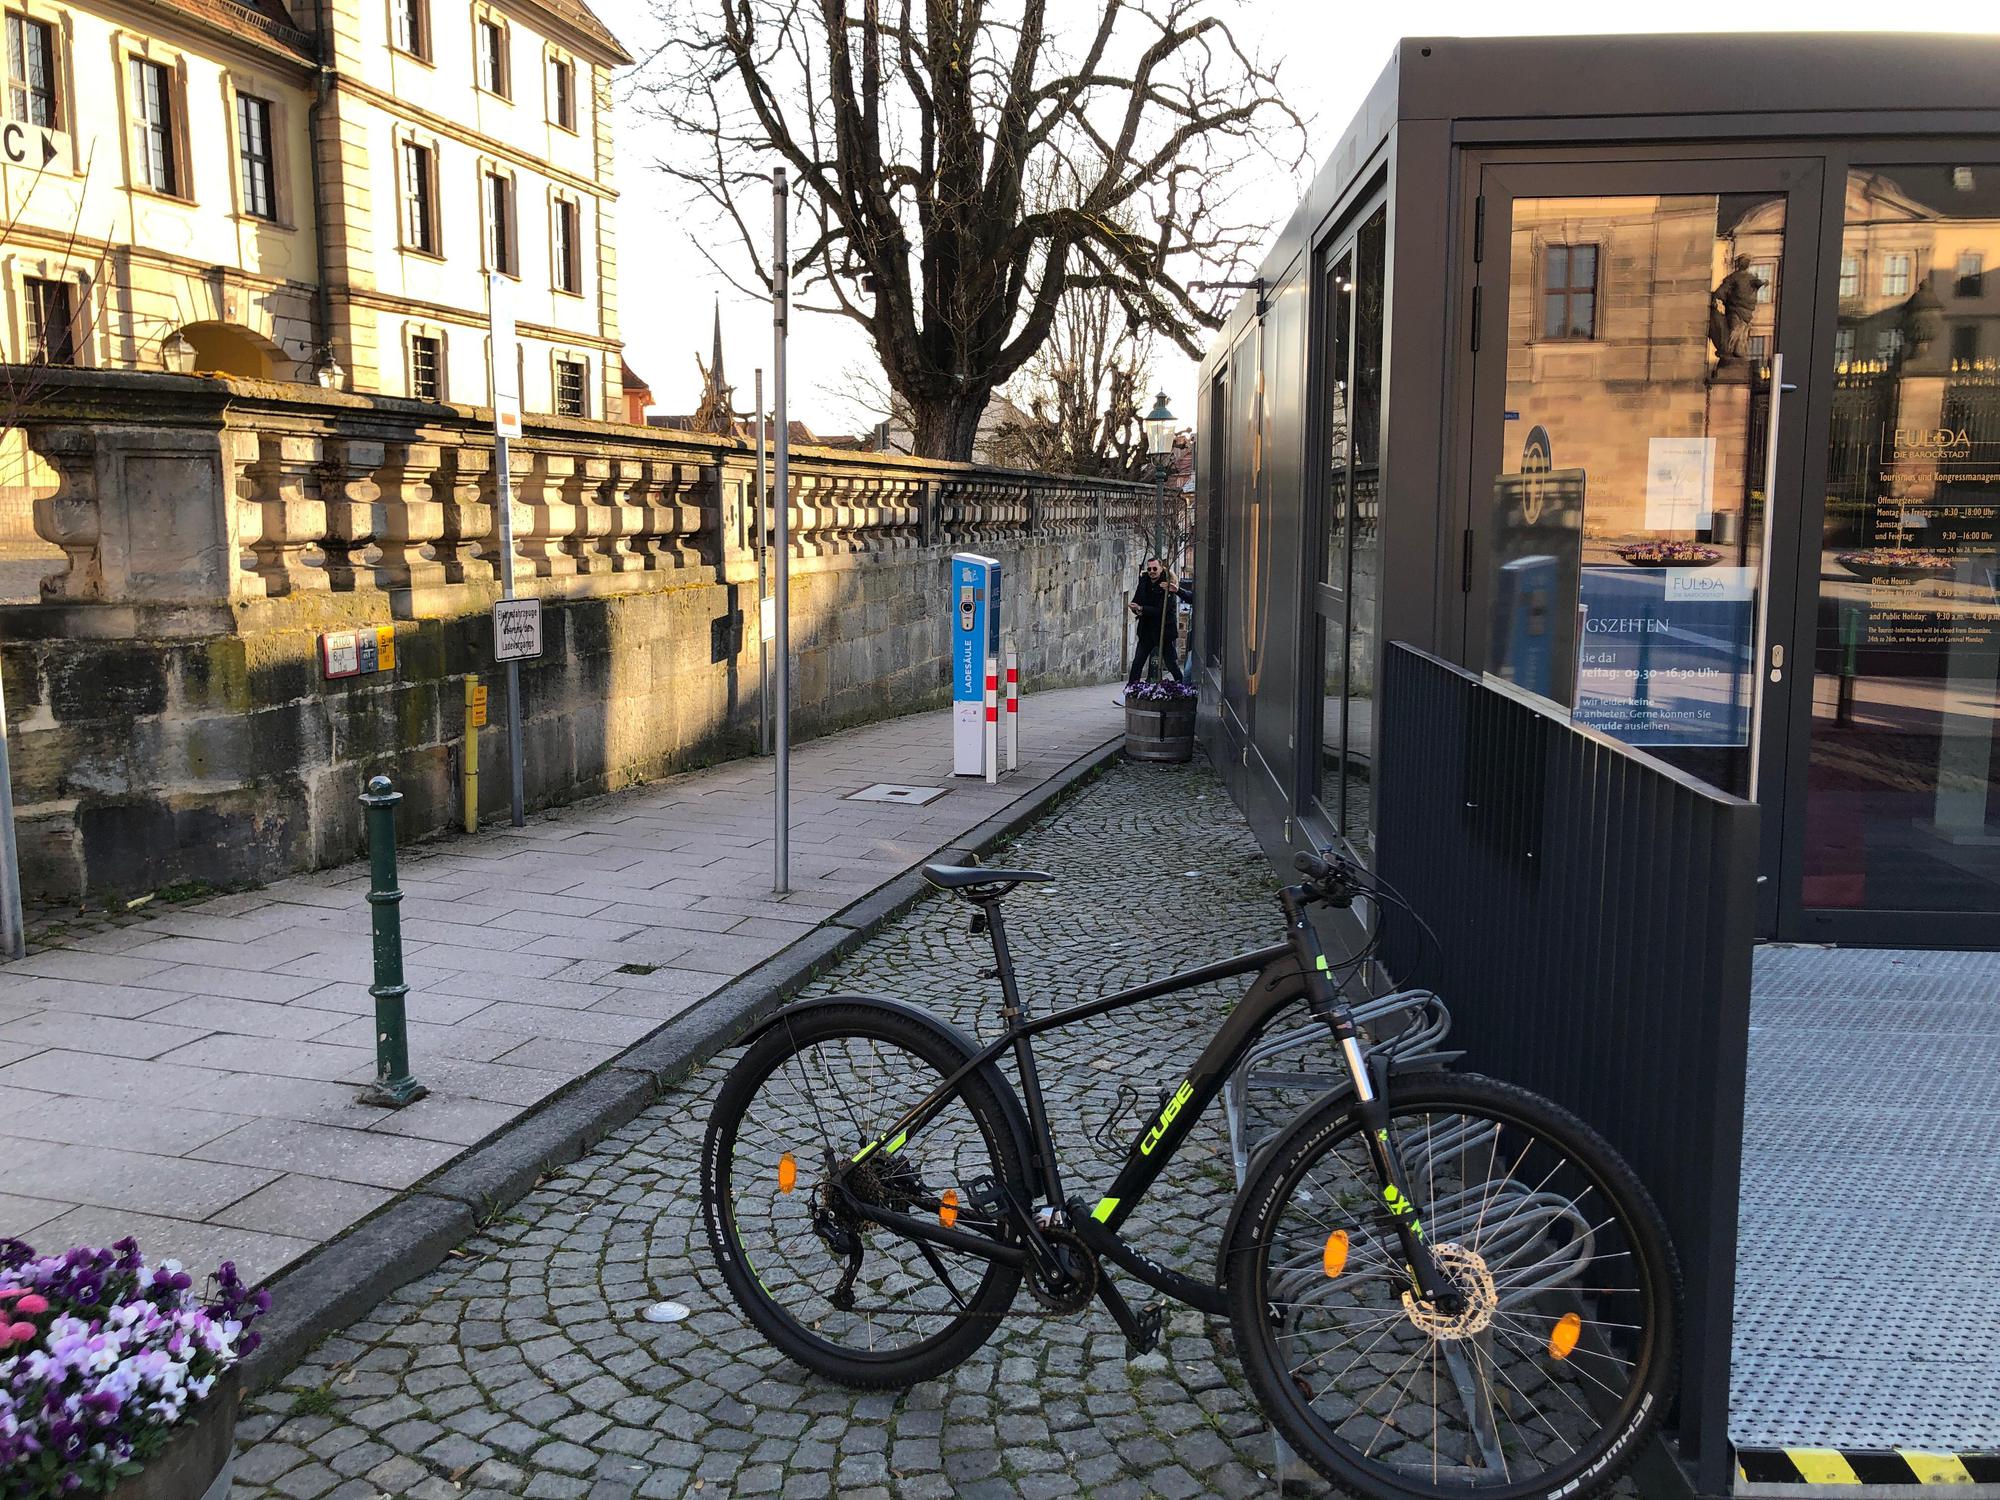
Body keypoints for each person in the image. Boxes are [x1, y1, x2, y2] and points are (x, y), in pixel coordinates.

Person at [1125, 556, 1183, 690]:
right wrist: (1136, 609)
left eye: (1155, 568)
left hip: (1163, 631)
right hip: (1146, 630)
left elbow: (1161, 610)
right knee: (1138, 662)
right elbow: (1138, 600)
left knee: (1171, 663)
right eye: (1149, 569)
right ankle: (1130, 689)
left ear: (1161, 568)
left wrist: (1142, 609)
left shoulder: (1167, 584)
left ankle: (1181, 686)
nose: (1152, 571)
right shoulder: (1144, 581)